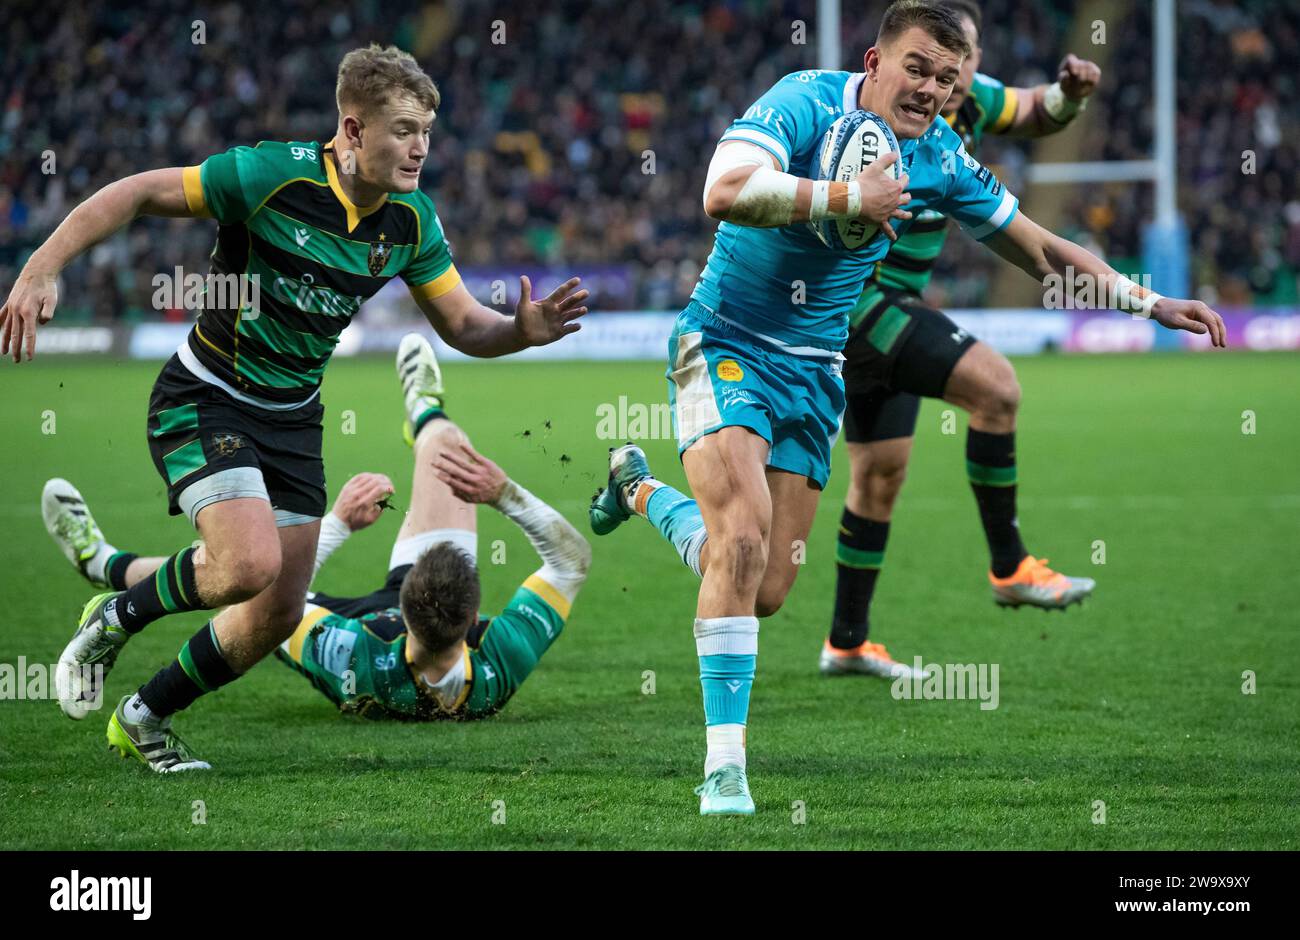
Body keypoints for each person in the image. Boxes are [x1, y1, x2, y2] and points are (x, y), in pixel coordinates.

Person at [589, 0, 1223, 815]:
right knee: (740, 539)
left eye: (948, 79)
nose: (930, 89)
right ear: (875, 61)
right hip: (727, 341)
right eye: (918, 68)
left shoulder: (944, 156)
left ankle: (635, 488)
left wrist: (1147, 302)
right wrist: (849, 198)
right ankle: (724, 771)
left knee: (768, 586)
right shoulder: (804, 100)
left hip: (818, 373)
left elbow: (1035, 247)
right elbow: (723, 190)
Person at [5, 44, 588, 771]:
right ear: (351, 130)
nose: (420, 148)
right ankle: (116, 614)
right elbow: (136, 193)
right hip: (206, 396)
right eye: (403, 130)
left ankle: (143, 716)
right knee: (247, 564)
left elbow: (466, 325)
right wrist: (41, 269)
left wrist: (520, 334)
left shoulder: (409, 222)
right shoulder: (269, 176)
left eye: (427, 132)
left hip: (294, 420)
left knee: (279, 608)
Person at [42, 336, 590, 754]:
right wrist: (502, 493)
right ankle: (425, 411)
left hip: (363, 620)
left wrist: (340, 524)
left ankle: (105, 566)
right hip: (435, 604)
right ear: (476, 617)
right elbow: (573, 562)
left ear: (403, 600)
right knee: (451, 450)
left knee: (240, 573)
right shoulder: (500, 661)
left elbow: (275, 598)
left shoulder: (354, 655)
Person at [824, 0, 1104, 680]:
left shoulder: (967, 101)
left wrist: (1067, 96)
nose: (961, 75)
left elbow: (1034, 113)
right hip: (858, 300)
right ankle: (1010, 565)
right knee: (996, 387)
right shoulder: (870, 119)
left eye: (968, 61)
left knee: (878, 476)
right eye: (947, 61)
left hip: (894, 304)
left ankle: (847, 641)